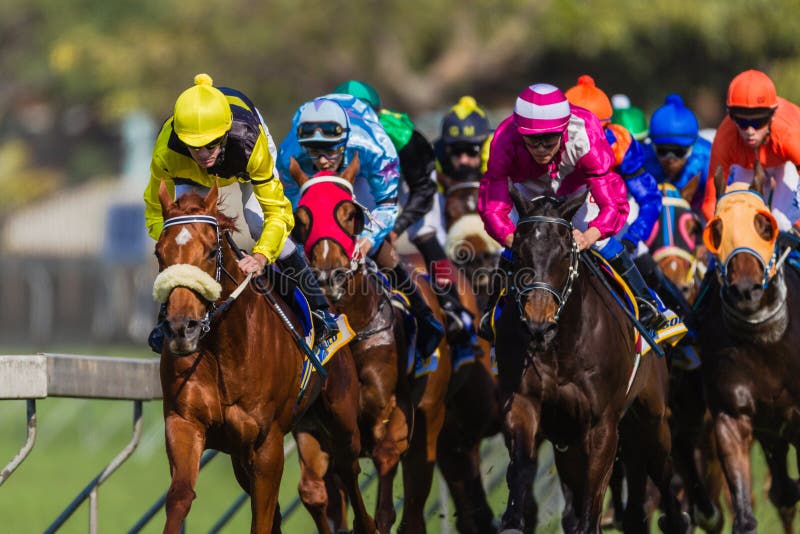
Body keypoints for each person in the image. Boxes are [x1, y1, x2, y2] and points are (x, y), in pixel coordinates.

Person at [477, 82, 686, 347]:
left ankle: (648, 304)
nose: (541, 148)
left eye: (549, 140)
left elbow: (613, 203)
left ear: (564, 129)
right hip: (528, 190)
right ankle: (494, 310)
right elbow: (491, 207)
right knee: (516, 246)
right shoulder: (504, 138)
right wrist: (513, 240)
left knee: (602, 241)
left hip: (574, 189)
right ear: (520, 132)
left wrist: (589, 236)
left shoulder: (585, 131)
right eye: (532, 139)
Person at [143, 74, 340, 352]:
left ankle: (319, 308)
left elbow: (278, 213)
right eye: (195, 146)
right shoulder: (166, 152)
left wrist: (261, 256)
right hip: (191, 176)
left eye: (211, 144)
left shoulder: (249, 143)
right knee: (181, 238)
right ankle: (165, 318)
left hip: (242, 161)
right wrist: (172, 240)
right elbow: (154, 211)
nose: (203, 154)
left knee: (258, 226)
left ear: (224, 134)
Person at [277, 94, 444, 359]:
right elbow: (291, 211)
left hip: (364, 177)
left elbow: (387, 205)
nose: (323, 161)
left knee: (381, 243)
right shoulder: (289, 156)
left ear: (344, 140)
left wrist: (368, 240)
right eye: (315, 151)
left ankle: (425, 315)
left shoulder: (373, 148)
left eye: (330, 150)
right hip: (315, 186)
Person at [332, 80, 473, 347]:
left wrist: (396, 228)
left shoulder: (399, 134)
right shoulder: (326, 134)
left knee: (424, 230)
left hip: (410, 182)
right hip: (367, 178)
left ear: (375, 116)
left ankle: (451, 305)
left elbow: (424, 190)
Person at [701, 69, 800, 231]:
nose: (750, 131)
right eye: (742, 122)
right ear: (731, 117)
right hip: (748, 165)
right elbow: (710, 202)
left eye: (758, 122)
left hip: (787, 161)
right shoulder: (724, 138)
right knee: (743, 221)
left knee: (781, 223)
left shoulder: (789, 134)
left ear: (772, 115)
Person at [643, 94, 712, 214]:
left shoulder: (708, 159)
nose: (670, 159)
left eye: (679, 152)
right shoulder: (642, 160)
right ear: (653, 146)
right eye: (663, 151)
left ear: (692, 147)